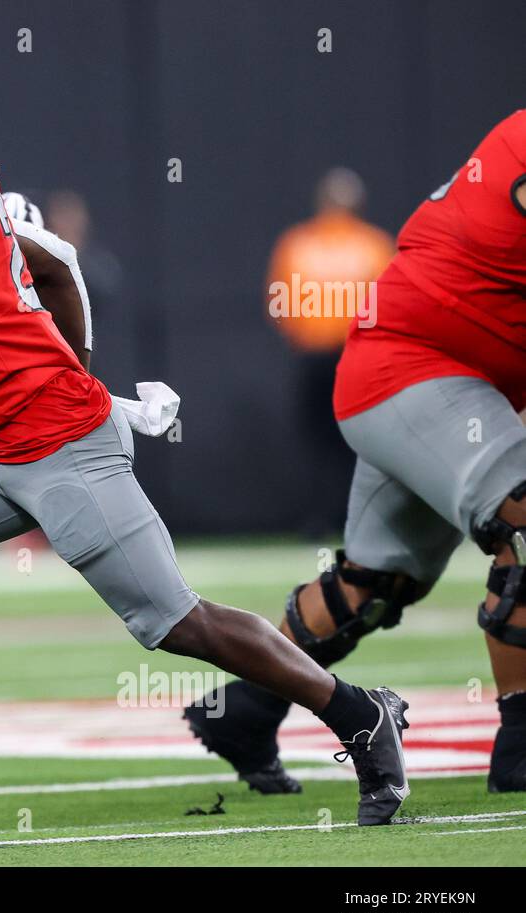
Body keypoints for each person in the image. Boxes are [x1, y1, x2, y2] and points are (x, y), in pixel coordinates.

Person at [0, 36, 410, 825]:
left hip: (58, 447)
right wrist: (74, 362)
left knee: (177, 623)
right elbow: (57, 264)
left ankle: (358, 714)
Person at [187, 111, 526, 796]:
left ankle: (246, 709)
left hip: (431, 376)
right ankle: (520, 741)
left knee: (371, 585)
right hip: (416, 370)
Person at [265, 168, 394, 536]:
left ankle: (338, 517)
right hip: (336, 354)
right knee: (333, 439)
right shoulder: (366, 244)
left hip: (336, 353)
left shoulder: (308, 244)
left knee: (337, 440)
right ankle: (334, 517)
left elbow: (279, 303)